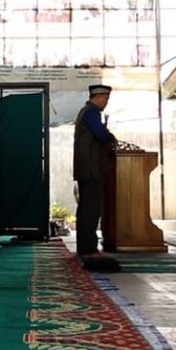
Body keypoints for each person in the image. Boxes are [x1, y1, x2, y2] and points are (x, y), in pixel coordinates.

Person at [73, 84, 117, 259]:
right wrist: (110, 135)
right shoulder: (91, 113)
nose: (106, 103)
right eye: (106, 99)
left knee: (87, 208)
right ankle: (89, 248)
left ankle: (85, 246)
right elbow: (101, 135)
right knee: (90, 209)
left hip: (87, 168)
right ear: (98, 97)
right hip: (91, 168)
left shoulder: (85, 112)